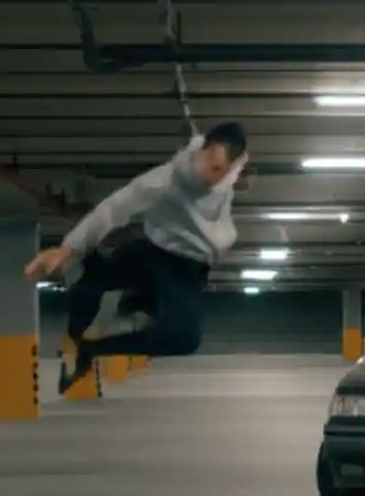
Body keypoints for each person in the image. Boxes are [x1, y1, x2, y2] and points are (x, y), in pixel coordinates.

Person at [24, 122, 249, 394]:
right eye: (211, 165)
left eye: (221, 172)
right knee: (88, 278)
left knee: (185, 338)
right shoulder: (166, 179)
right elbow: (116, 207)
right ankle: (76, 335)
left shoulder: (224, 183)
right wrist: (68, 248)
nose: (211, 178)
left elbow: (231, 163)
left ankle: (93, 348)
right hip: (151, 253)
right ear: (201, 151)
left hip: (187, 270)